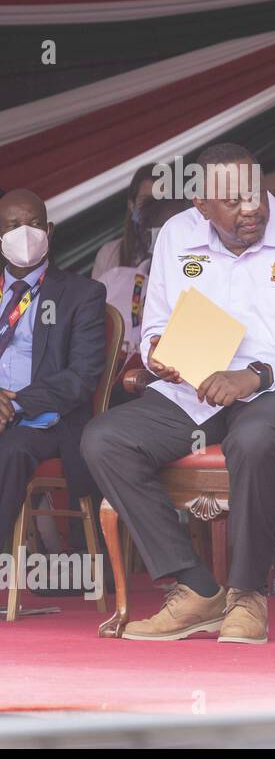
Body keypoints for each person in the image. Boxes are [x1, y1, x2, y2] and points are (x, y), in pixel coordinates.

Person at [81, 143, 275, 644]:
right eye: (231, 202)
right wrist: (159, 351)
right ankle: (196, 589)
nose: (250, 208)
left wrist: (258, 374)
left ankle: (246, 595)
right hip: (196, 391)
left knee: (250, 440)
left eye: (255, 195)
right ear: (201, 206)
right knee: (105, 439)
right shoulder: (176, 236)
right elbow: (157, 325)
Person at [0, 189, 107, 550]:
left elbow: (81, 376)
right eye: (13, 226)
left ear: (50, 229)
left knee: (10, 450)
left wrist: (13, 405)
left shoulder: (82, 294)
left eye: (33, 224)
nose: (25, 233)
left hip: (46, 421)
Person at [97, 197, 188, 364]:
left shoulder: (207, 285)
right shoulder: (113, 280)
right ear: (147, 236)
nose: (175, 236)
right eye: (165, 228)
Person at [90, 164, 160, 281]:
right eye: (145, 200)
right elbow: (94, 298)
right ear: (131, 206)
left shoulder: (180, 253)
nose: (151, 208)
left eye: (160, 201)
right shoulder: (109, 254)